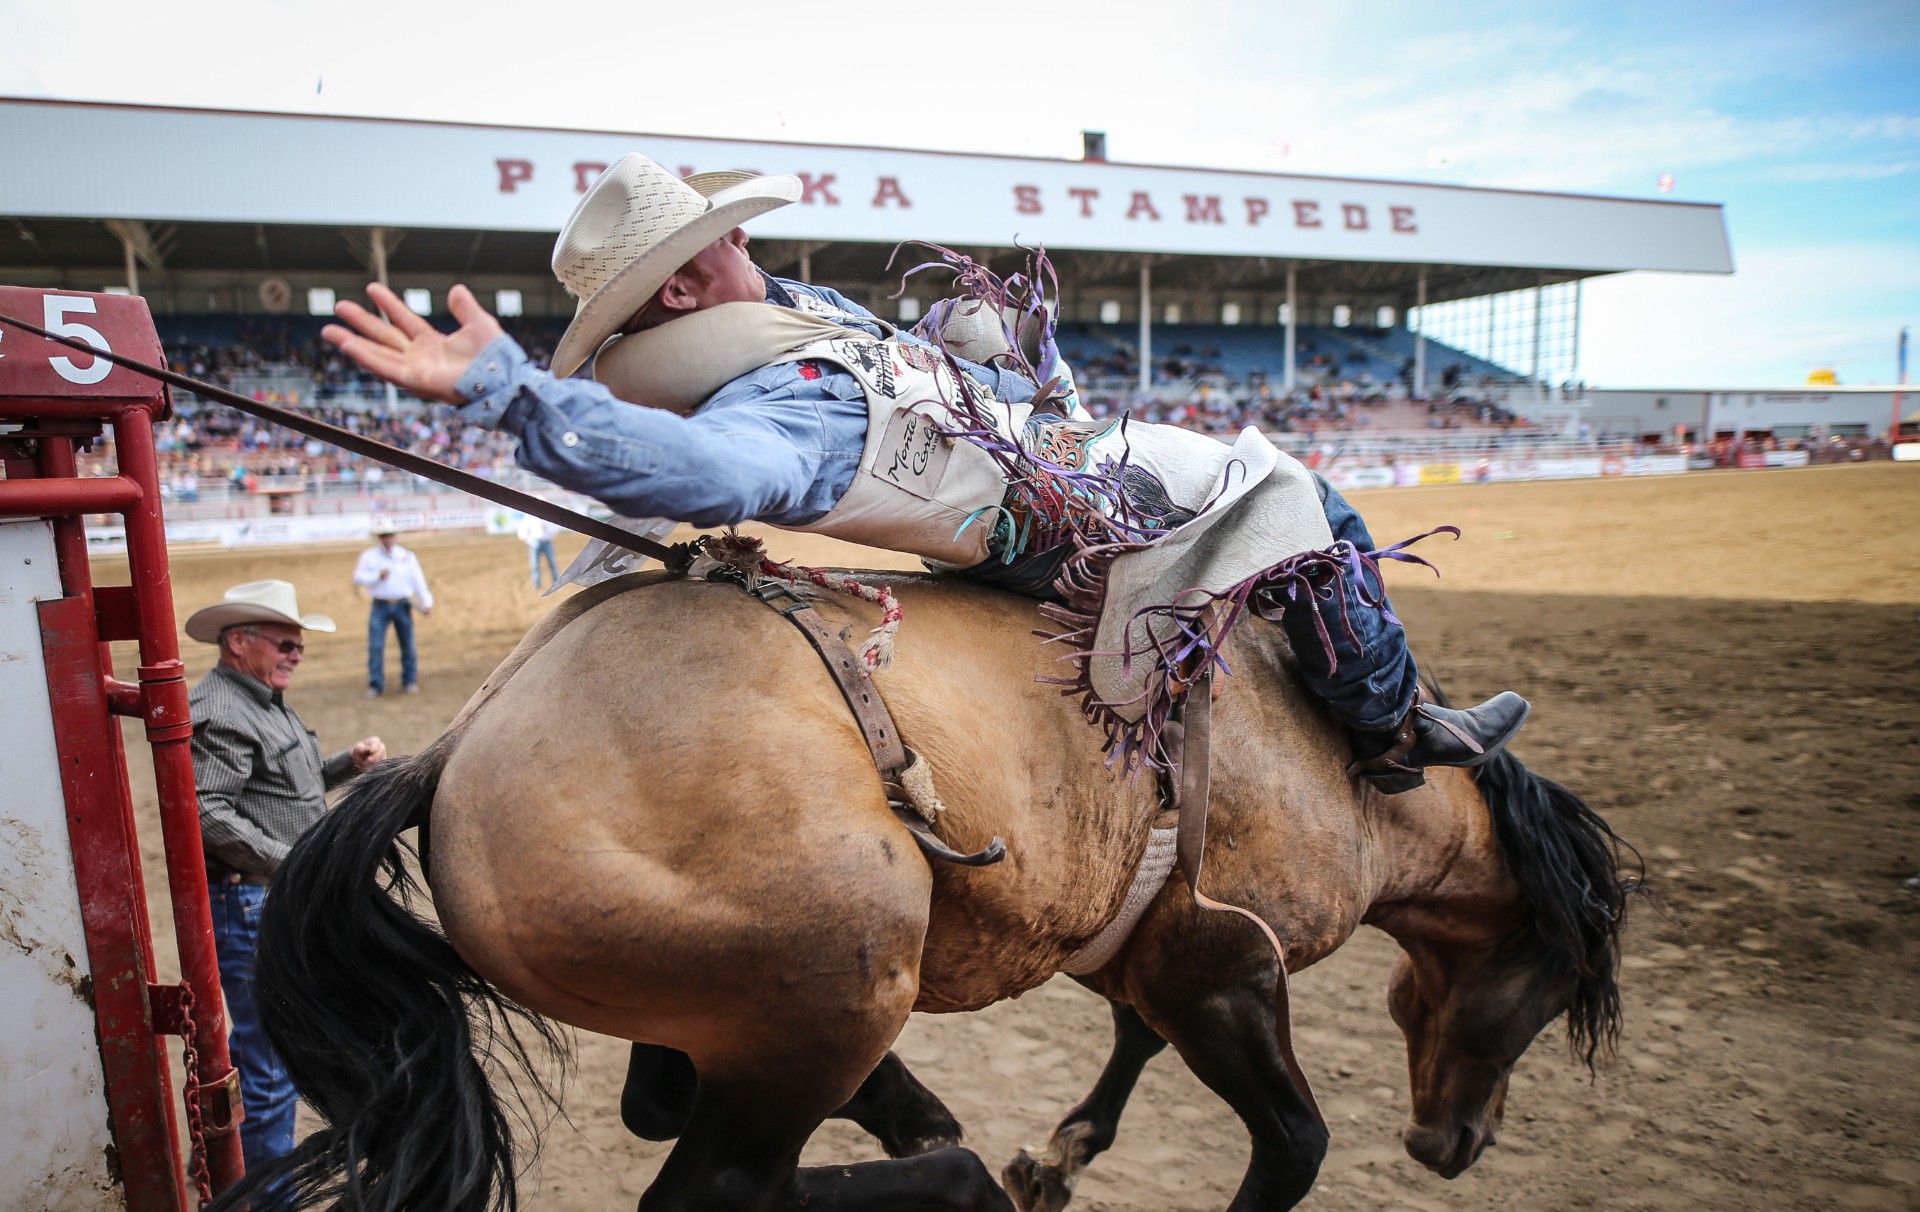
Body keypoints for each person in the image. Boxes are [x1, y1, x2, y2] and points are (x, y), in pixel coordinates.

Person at [323, 155, 1525, 790]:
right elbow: (709, 469)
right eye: (719, 240)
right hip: (1063, 522)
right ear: (683, 286)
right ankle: (1393, 722)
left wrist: (1006, 368)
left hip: (1050, 467)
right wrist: (505, 392)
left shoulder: (795, 324)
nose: (744, 241)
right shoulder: (789, 401)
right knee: (1297, 498)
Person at [184, 579, 386, 1212]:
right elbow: (207, 811)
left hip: (262, 895)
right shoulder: (224, 709)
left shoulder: (254, 701)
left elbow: (276, 792)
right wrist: (293, 864)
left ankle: (225, 1172)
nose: (297, 653)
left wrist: (342, 766)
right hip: (251, 900)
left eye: (300, 645)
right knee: (269, 1068)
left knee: (264, 1057)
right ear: (239, 642)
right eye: (286, 643)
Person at [352, 519, 434, 697]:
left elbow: (418, 581)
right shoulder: (369, 556)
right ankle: (375, 684)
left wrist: (427, 602)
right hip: (380, 605)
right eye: (383, 535)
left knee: (408, 645)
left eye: (389, 535)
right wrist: (376, 576)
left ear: (395, 536)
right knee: (375, 646)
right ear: (378, 538)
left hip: (403, 605)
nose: (387, 538)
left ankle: (409, 680)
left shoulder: (406, 556)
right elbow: (358, 578)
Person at [516, 509, 561, 589]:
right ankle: (537, 586)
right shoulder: (530, 517)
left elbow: (556, 528)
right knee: (535, 565)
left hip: (547, 542)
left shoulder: (548, 517)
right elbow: (522, 530)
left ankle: (557, 583)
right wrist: (530, 541)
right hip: (535, 542)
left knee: (552, 563)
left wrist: (548, 532)